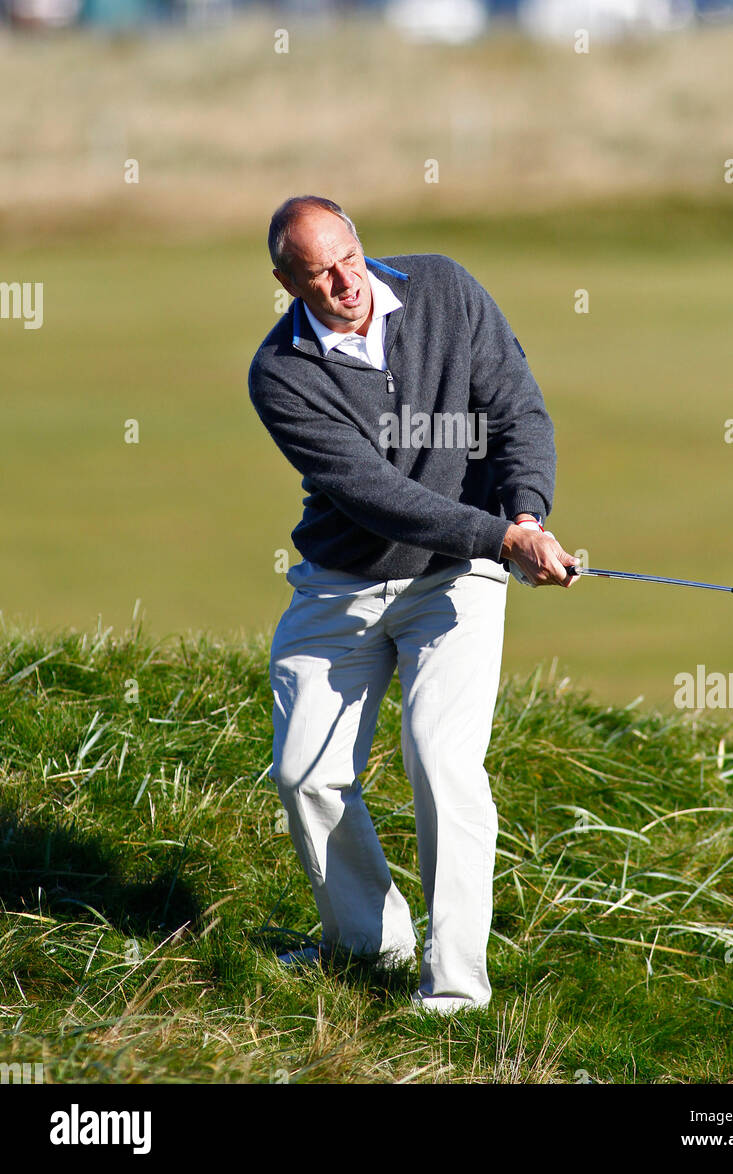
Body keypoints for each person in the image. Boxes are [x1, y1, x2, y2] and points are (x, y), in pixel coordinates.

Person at [248, 195, 580, 1014]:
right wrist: (503, 538)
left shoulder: (443, 289)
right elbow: (378, 497)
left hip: (455, 577)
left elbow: (516, 410)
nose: (344, 283)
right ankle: (369, 943)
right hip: (343, 582)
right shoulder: (281, 373)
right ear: (287, 282)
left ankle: (456, 991)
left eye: (349, 259)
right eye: (319, 274)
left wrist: (527, 512)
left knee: (441, 761)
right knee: (305, 776)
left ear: (362, 247)